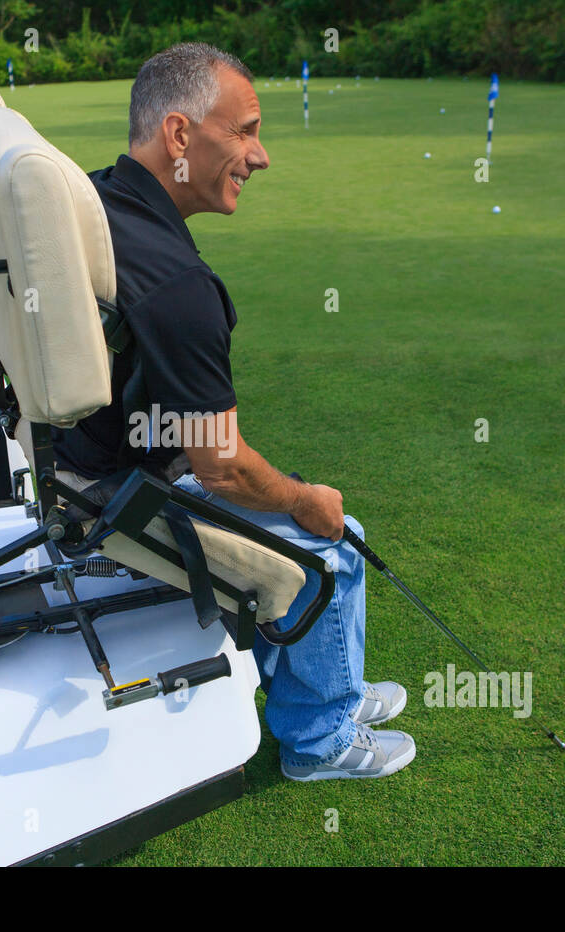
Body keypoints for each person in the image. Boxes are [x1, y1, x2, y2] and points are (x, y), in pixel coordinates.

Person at [53, 43, 415, 780]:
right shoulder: (179, 287)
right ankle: (320, 740)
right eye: (245, 130)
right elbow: (222, 468)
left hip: (84, 467)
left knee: (312, 526)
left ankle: (330, 683)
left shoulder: (95, 199)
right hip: (124, 496)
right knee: (330, 545)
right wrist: (306, 500)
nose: (262, 155)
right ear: (180, 137)